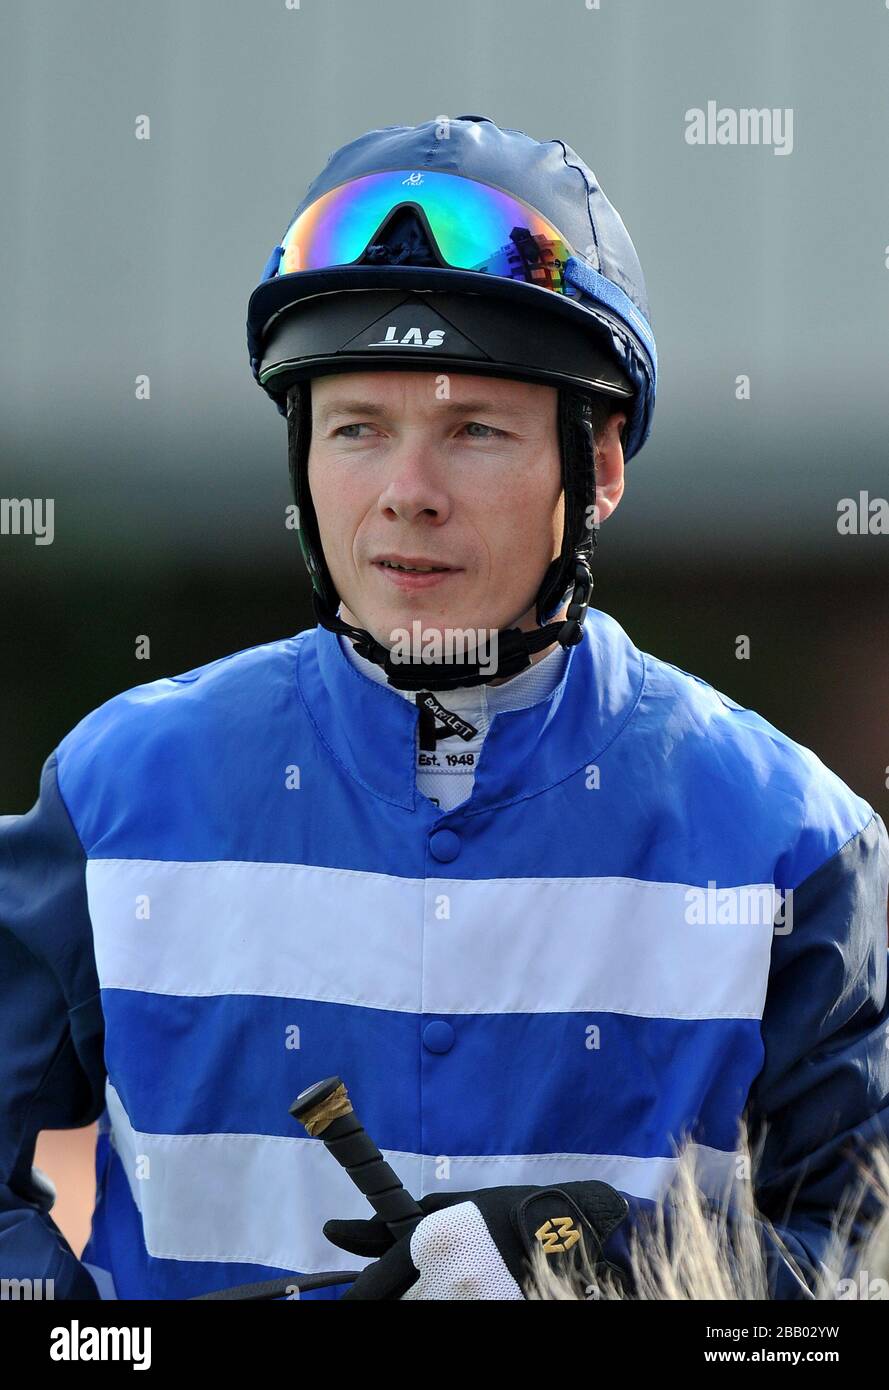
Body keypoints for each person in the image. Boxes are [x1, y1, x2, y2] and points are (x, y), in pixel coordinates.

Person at [1, 114, 887, 1302]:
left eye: (474, 431)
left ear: (601, 465)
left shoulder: (797, 841)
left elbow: (855, 1272)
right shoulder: (115, 787)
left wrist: (605, 1266)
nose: (406, 495)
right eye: (358, 429)